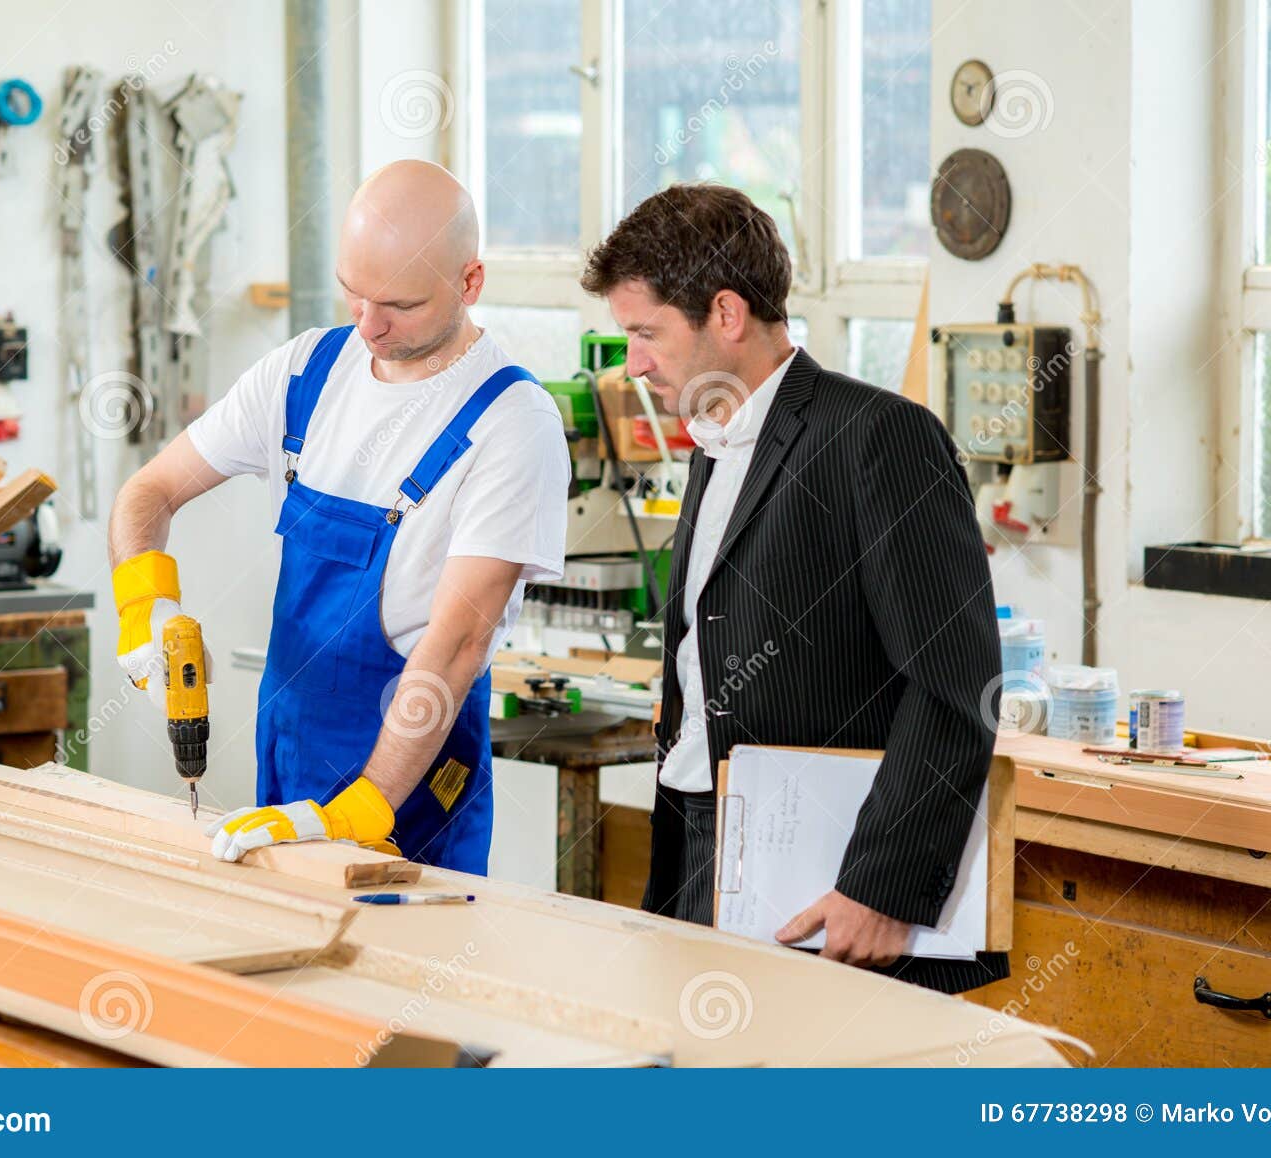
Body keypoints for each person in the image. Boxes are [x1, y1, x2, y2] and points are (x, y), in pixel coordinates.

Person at [580, 183, 1006, 993]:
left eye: (645, 333)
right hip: (702, 844)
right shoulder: (715, 439)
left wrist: (879, 886)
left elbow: (958, 684)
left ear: (727, 315)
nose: (632, 361)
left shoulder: (878, 437)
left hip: (835, 880)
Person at [108, 160, 570, 874]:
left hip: (408, 791)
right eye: (353, 293)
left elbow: (455, 648)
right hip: (290, 751)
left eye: (400, 305)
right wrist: (144, 601)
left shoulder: (512, 424)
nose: (369, 325)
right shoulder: (305, 371)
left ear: (469, 283)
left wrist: (364, 806)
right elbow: (149, 492)